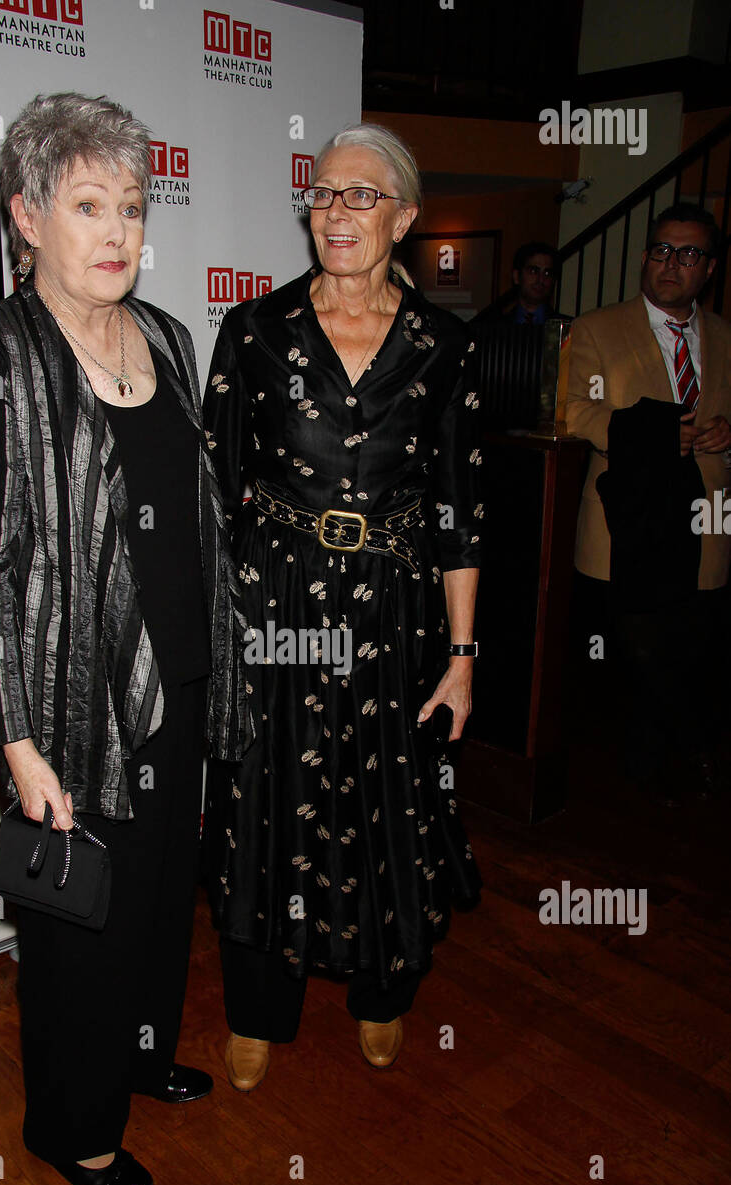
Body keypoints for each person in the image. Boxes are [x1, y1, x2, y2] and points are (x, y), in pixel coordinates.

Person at [0, 93, 252, 1185]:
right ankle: (72, 1127)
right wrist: (16, 747)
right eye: (87, 205)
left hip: (182, 681)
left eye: (130, 204)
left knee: (165, 900)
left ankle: (140, 1054)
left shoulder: (166, 333)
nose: (118, 230)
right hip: (74, 708)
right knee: (82, 932)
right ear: (26, 216)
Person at [202, 122, 482, 1092]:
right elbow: (214, 492)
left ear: (403, 219)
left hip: (394, 613)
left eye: (363, 196)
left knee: (385, 804)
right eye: (324, 194)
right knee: (264, 800)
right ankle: (257, 1009)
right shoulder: (254, 331)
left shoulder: (441, 345)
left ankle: (379, 994)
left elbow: (457, 508)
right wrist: (221, 628)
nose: (337, 211)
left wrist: (461, 651)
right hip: (276, 602)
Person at [566, 203, 731, 803]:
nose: (671, 263)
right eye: (662, 250)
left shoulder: (723, 336)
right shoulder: (596, 328)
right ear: (643, 257)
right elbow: (575, 412)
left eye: (688, 254)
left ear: (708, 268)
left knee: (693, 646)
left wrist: (725, 432)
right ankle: (665, 761)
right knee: (638, 652)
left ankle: (672, 757)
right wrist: (656, 435)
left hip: (705, 522)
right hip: (627, 523)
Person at [472, 241, 570, 326]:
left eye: (547, 273)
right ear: (516, 276)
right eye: (533, 271)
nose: (541, 279)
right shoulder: (495, 326)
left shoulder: (567, 327)